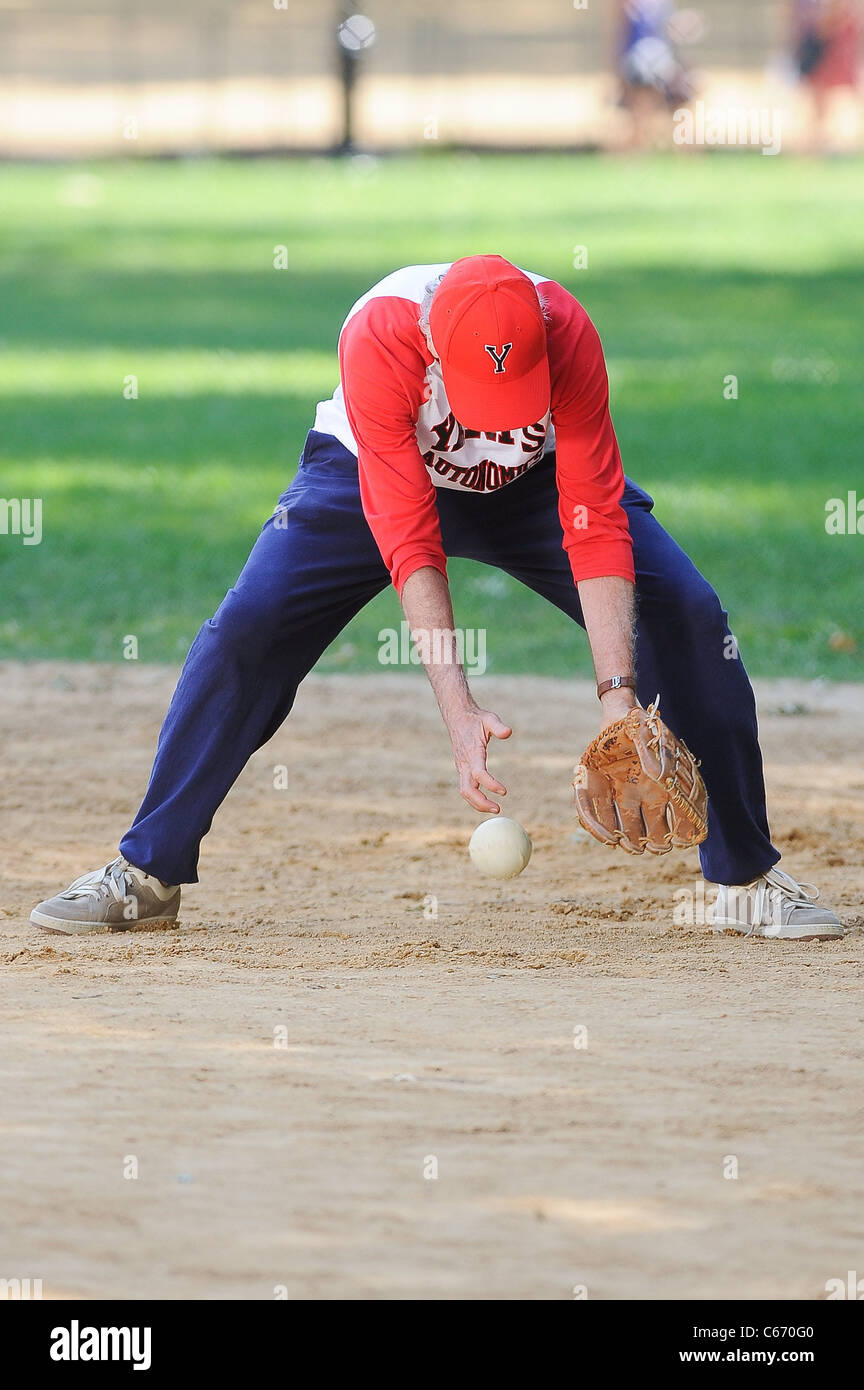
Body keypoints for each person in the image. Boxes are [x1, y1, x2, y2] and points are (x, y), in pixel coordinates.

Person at [30, 255, 843, 940]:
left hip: (536, 485)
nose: (496, 422)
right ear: (432, 347)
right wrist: (457, 710)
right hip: (371, 474)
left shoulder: (568, 332)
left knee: (692, 620)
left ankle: (743, 880)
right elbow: (409, 538)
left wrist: (618, 702)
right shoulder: (380, 335)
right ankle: (147, 873)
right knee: (250, 627)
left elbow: (593, 522)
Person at [793, 0, 861, 152]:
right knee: (819, 106)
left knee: (823, 105)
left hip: (835, 53)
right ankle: (810, 146)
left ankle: (812, 145)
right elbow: (824, 27)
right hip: (827, 55)